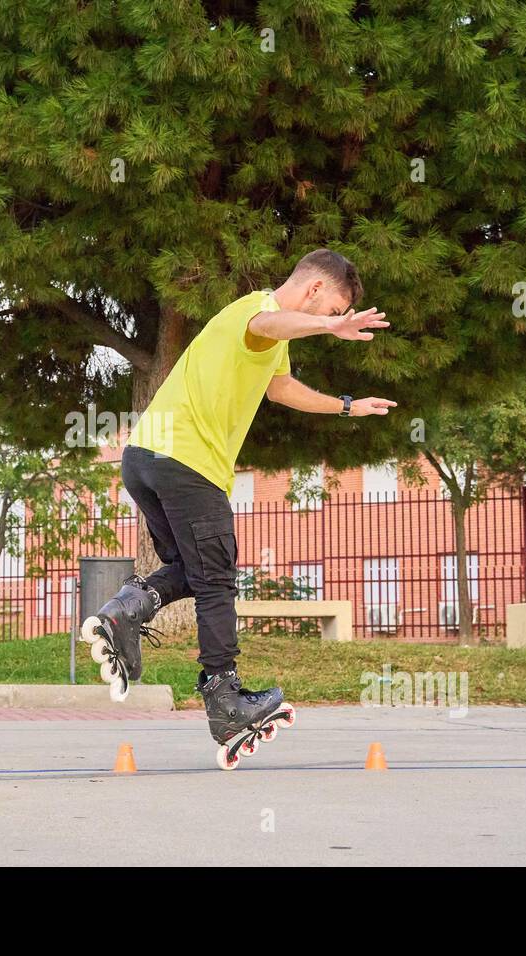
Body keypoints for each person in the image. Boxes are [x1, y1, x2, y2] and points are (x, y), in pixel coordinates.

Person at [79, 249, 396, 768]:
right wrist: (330, 329)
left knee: (194, 569)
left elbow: (283, 389)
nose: (329, 320)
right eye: (331, 309)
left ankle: (122, 614)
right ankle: (226, 699)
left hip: (145, 458)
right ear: (314, 291)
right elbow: (272, 321)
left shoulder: (267, 342)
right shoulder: (257, 311)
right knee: (218, 579)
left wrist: (347, 405)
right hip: (188, 461)